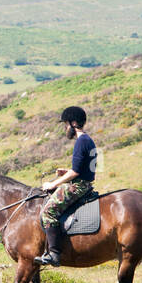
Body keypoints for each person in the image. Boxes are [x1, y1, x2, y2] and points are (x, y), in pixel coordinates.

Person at [35, 106, 97, 267]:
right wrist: (66, 172)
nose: (65, 128)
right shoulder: (88, 139)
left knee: (48, 211)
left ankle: (54, 253)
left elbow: (76, 171)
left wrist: (53, 184)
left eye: (65, 124)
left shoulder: (81, 141)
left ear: (73, 123)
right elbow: (81, 168)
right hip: (84, 182)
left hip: (78, 186)